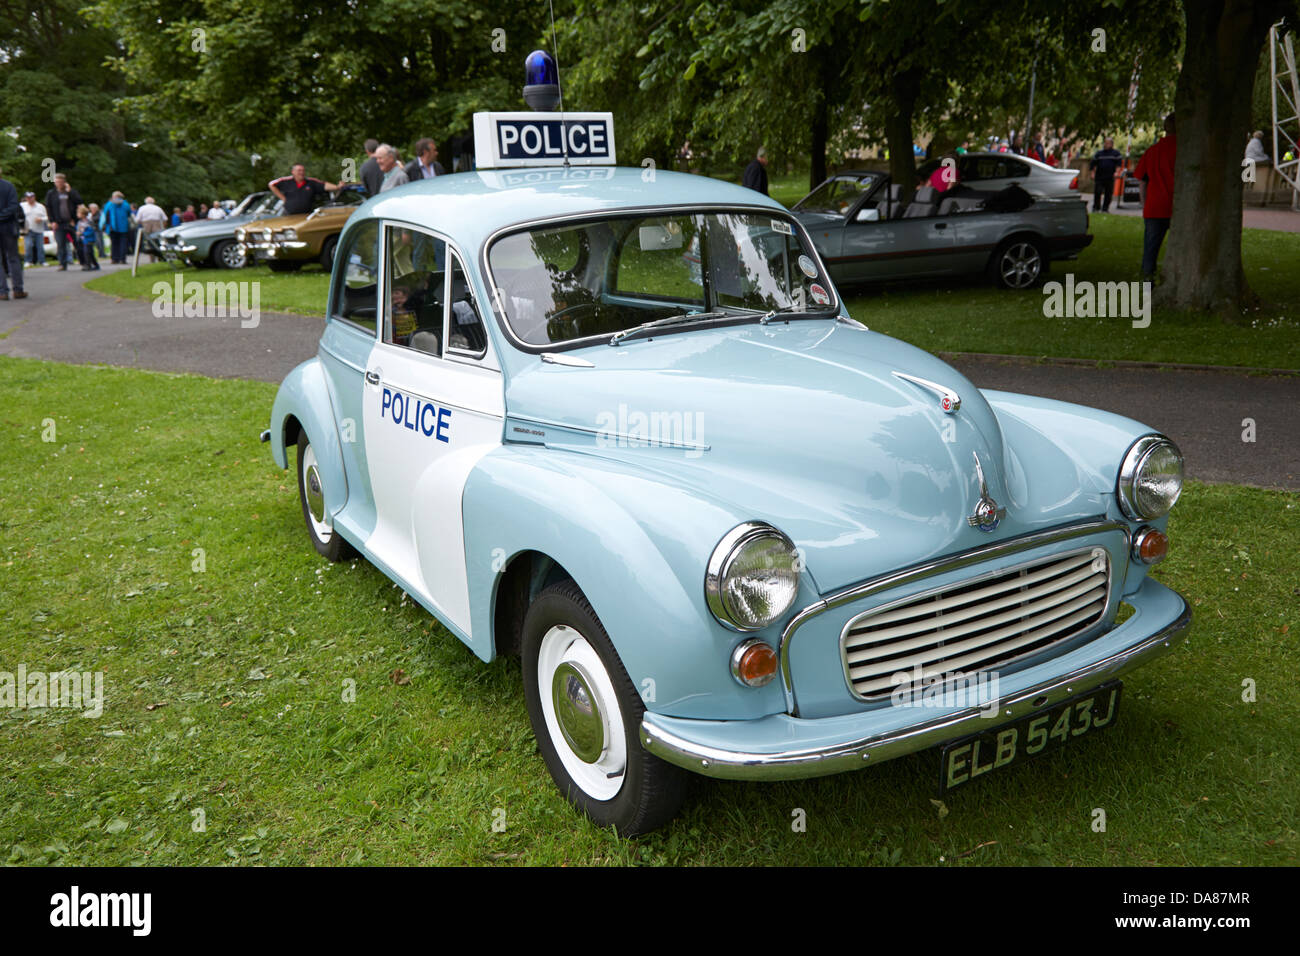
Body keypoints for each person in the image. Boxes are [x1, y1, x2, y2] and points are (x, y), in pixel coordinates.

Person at [1134, 113, 1177, 280]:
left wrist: (1144, 204)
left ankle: (1147, 282)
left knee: (1150, 251)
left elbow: (1142, 181)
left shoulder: (1152, 151)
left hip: (1154, 207)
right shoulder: (1185, 151)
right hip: (1176, 207)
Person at [43, 173, 83, 271]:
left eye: (60, 182)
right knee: (61, 244)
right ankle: (62, 264)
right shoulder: (51, 193)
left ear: (64, 182)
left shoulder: (70, 192)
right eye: (57, 182)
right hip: (59, 223)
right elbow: (49, 208)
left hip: (71, 222)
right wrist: (52, 221)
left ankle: (83, 261)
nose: (59, 183)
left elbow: (79, 201)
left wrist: (70, 192)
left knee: (77, 243)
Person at [268, 164, 343, 214]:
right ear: (293, 172)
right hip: (289, 214)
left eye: (303, 170)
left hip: (306, 215)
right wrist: (283, 198)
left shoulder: (311, 182)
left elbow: (324, 185)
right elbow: (271, 184)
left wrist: (337, 187)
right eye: (299, 170)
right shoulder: (286, 181)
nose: (302, 172)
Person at [0, 166, 25, 299]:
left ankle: (2, 291)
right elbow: (14, 206)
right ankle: (18, 289)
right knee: (13, 258)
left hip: (7, 226)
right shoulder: (9, 187)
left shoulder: (9, 187)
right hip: (8, 226)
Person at [1089, 137, 1123, 213]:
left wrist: (1117, 172)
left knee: (1108, 193)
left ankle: (1105, 208)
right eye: (1105, 143)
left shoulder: (1116, 153)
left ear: (1111, 144)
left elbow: (1118, 164)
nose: (1106, 144)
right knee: (1098, 191)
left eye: (1108, 143)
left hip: (1110, 176)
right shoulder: (1099, 153)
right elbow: (1093, 164)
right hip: (1099, 176)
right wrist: (1092, 173)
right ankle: (1096, 207)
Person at [101, 191, 132, 264]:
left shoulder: (109, 204)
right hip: (124, 227)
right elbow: (129, 214)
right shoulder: (126, 204)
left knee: (114, 243)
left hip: (112, 227)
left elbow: (105, 215)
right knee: (123, 243)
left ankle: (114, 259)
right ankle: (122, 259)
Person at [135, 196, 167, 262]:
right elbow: (165, 218)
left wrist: (142, 224)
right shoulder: (158, 208)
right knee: (158, 242)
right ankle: (161, 257)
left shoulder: (142, 208)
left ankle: (152, 259)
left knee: (149, 243)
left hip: (146, 226)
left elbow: (137, 220)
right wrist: (163, 227)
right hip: (157, 226)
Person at [22, 192, 48, 267]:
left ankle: (42, 261)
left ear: (34, 197)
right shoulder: (22, 206)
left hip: (39, 229)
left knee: (40, 246)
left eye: (31, 197)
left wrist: (41, 219)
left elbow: (46, 217)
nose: (29, 199)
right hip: (27, 229)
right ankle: (28, 261)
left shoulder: (40, 206)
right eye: (28, 197)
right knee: (28, 245)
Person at [76, 204, 99, 271]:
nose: (77, 214)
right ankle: (95, 264)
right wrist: (78, 233)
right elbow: (78, 229)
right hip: (82, 240)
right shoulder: (79, 222)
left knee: (87, 253)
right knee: (87, 253)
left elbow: (91, 231)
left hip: (89, 240)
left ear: (83, 214)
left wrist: (83, 233)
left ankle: (88, 265)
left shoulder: (89, 222)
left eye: (78, 213)